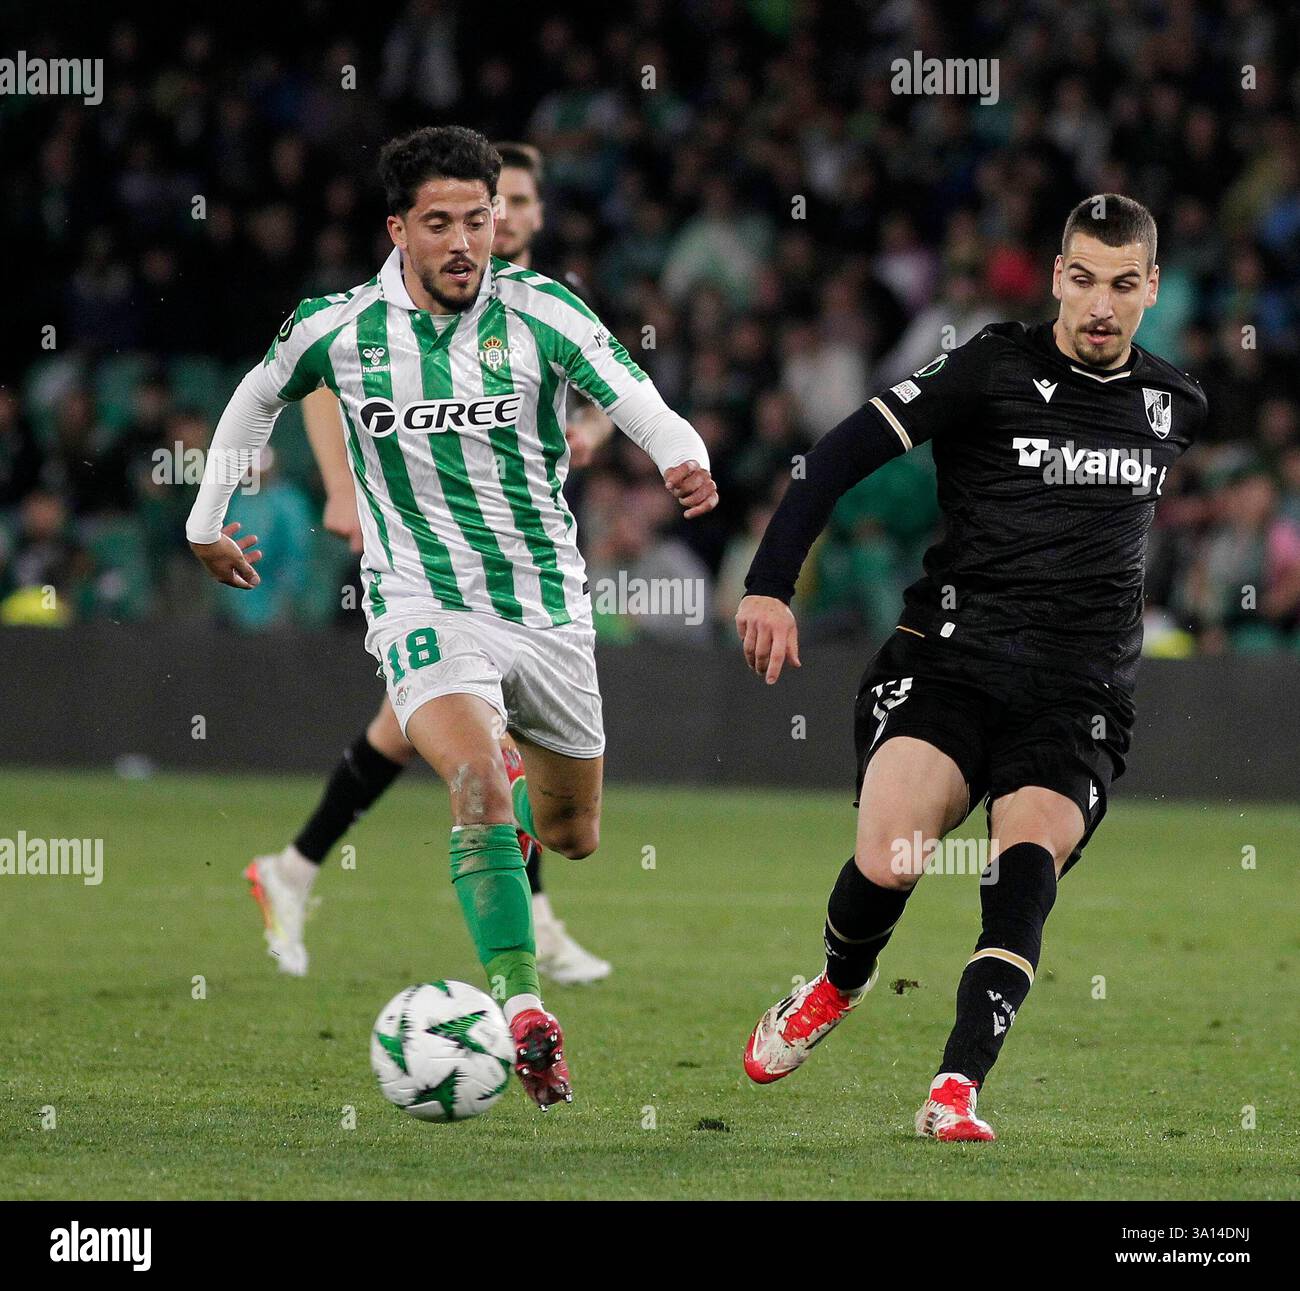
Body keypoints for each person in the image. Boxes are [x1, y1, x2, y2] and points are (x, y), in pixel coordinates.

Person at [187, 126, 717, 1109]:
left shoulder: (541, 311)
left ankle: (412, 874)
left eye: (479, 218)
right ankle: (521, 1010)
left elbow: (634, 395)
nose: (466, 240)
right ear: (399, 229)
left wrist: (681, 453)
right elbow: (258, 396)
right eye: (440, 223)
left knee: (572, 831)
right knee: (475, 776)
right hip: (421, 603)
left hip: (548, 611)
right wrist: (205, 516)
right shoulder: (339, 327)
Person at [737, 194, 1205, 1140]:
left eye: (1123, 284)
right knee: (890, 858)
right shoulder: (991, 365)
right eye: (1082, 280)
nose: (1100, 305)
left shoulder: (1176, 403)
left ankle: (956, 1089)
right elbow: (834, 456)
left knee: (1025, 869)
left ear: (1152, 288)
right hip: (952, 660)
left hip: (1079, 691)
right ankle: (839, 983)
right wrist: (769, 583)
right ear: (1056, 277)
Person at [253, 142, 616, 986]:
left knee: (426, 743)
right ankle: (527, 931)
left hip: (521, 557)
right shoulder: (409, 290)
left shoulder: (537, 302)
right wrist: (343, 490)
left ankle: (296, 865)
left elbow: (603, 400)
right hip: (428, 564)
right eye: (507, 201)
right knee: (477, 756)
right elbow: (313, 378)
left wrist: (592, 435)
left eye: (525, 203)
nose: (516, 217)